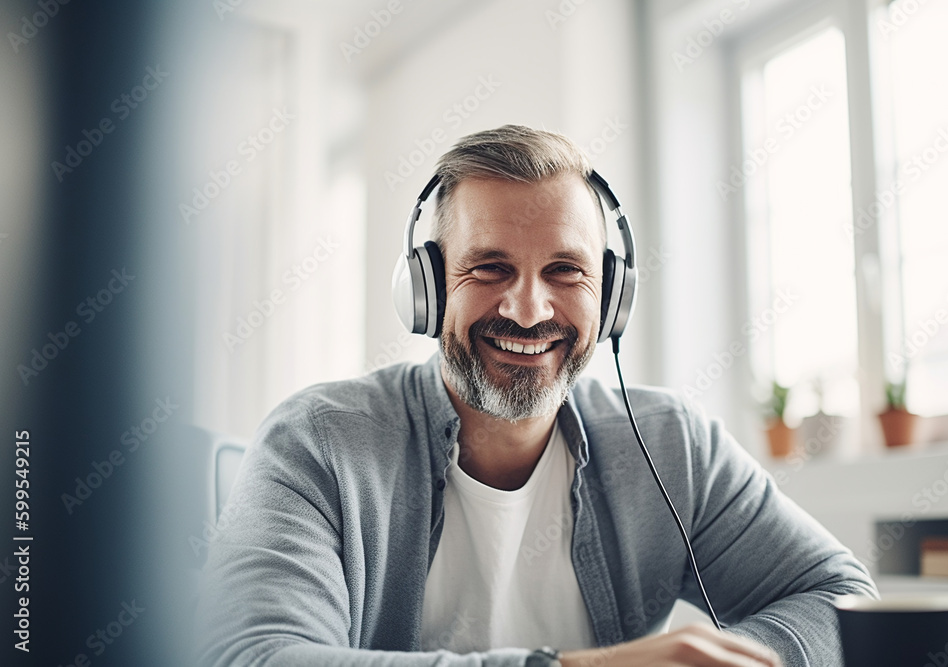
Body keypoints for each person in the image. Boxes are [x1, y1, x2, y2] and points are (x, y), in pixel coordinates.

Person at [196, 125, 877, 667]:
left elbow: (841, 597)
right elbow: (254, 655)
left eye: (564, 270)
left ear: (610, 297)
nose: (526, 310)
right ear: (425, 288)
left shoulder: (673, 442)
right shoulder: (317, 441)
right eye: (490, 267)